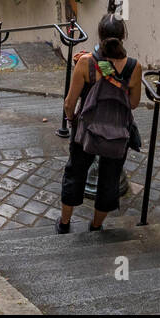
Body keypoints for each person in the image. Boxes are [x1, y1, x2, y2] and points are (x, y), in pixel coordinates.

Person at [58, 14, 141, 233]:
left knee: (75, 173)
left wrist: (71, 120)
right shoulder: (134, 67)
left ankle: (64, 224)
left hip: (86, 131)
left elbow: (69, 102)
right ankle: (96, 226)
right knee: (109, 179)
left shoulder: (86, 63)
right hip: (118, 133)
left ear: (99, 34)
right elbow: (133, 103)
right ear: (123, 36)